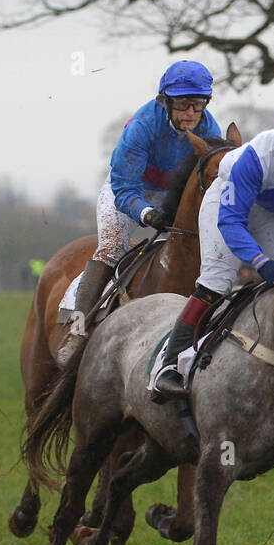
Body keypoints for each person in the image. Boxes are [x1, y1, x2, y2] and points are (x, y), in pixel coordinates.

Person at [148, 90, 274, 401]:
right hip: (229, 203)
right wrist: (260, 262)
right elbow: (231, 221)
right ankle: (169, 364)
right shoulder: (260, 155)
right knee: (217, 280)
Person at [57, 60, 221, 363]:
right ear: (165, 101)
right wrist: (146, 214)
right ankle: (78, 331)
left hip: (174, 194)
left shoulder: (210, 128)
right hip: (129, 190)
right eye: (183, 104)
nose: (190, 114)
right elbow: (124, 188)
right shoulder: (142, 126)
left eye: (197, 105)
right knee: (111, 248)